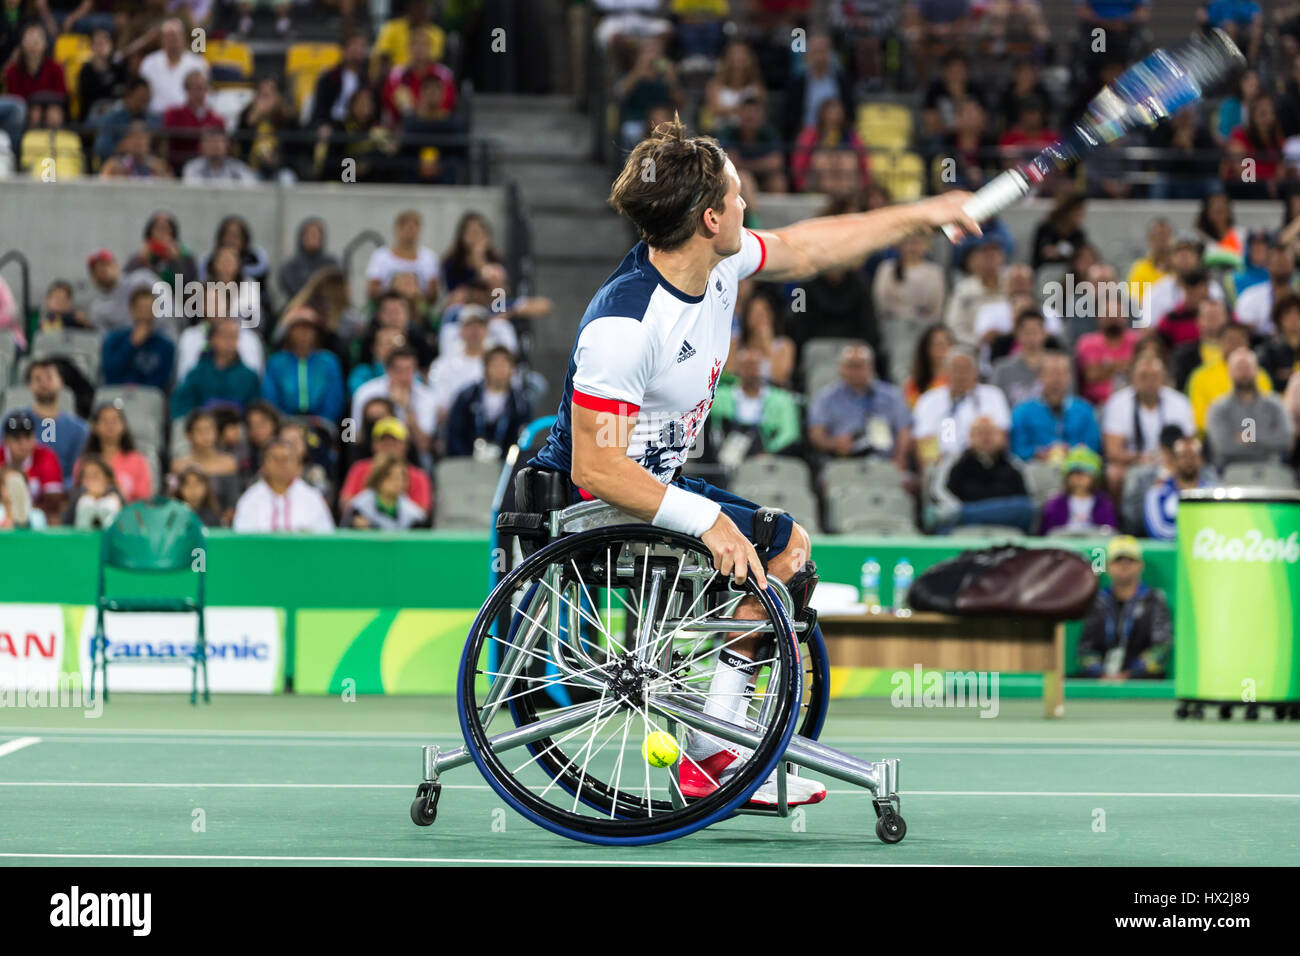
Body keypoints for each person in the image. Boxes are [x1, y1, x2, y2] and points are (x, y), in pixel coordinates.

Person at [526, 117, 978, 808]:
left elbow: (807, 246)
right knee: (780, 547)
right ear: (709, 218)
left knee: (786, 548)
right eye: (738, 197)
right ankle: (717, 754)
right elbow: (597, 464)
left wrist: (921, 214)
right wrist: (706, 520)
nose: (748, 207)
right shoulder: (627, 325)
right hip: (591, 505)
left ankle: (715, 751)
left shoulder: (717, 261)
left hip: (650, 488)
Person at [1102, 354, 1195, 499]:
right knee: (1113, 473)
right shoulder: (1118, 403)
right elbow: (1113, 451)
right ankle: (1119, 519)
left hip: (1171, 460)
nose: (1149, 382)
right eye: (1144, 376)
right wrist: (1140, 458)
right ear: (1133, 378)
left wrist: (1170, 461)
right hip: (1132, 461)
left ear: (1163, 378)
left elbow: (1189, 444)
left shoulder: (1179, 403)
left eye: (1155, 376)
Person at [1078, 535, 1171, 679]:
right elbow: (1086, 649)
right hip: (1100, 682)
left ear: (1140, 565)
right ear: (1108, 566)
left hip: (1142, 683)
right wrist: (1100, 673)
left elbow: (1161, 647)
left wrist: (1130, 674)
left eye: (1130, 560)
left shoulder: (1154, 600)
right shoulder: (1098, 602)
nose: (1124, 565)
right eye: (1118, 560)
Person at [806, 344, 911, 469]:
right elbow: (816, 434)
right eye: (850, 365)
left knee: (909, 481)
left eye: (860, 365)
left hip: (885, 461)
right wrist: (834, 443)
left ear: (871, 367)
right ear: (840, 368)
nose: (855, 371)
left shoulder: (892, 395)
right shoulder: (826, 398)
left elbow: (904, 430)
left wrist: (900, 457)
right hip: (843, 462)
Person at [929, 414, 1035, 534]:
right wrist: (954, 507)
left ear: (1001, 437)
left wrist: (964, 512)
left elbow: (1025, 500)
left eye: (990, 432)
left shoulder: (1014, 464)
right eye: (980, 432)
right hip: (962, 522)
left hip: (1002, 520)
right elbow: (938, 491)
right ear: (970, 437)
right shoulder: (956, 462)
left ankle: (965, 514)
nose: (986, 437)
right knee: (945, 517)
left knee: (1024, 508)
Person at [913, 348, 1011, 470]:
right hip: (944, 465)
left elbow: (1001, 438)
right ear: (946, 372)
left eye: (966, 369)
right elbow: (924, 441)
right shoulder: (929, 400)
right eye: (956, 369)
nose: (961, 375)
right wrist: (934, 466)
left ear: (976, 372)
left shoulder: (993, 396)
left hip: (983, 464)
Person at [1205, 348, 1294, 470]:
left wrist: (1246, 438)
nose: (1244, 373)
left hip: (1271, 471)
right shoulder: (1218, 408)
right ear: (1230, 372)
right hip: (1230, 473)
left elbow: (1285, 440)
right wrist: (1267, 439)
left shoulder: (1275, 404)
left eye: (1247, 368)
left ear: (1257, 370)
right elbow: (1224, 447)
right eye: (1239, 368)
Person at [711, 346, 803, 459]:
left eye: (756, 366)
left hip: (766, 458)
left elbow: (790, 434)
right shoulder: (719, 396)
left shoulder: (782, 400)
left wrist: (768, 452)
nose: (752, 371)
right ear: (738, 369)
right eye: (747, 366)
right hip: (726, 454)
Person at [1009, 351, 1101, 463]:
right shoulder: (1022, 412)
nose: (1057, 378)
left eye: (1062, 373)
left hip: (1077, 467)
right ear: (1040, 376)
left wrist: (1073, 451)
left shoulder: (1085, 410)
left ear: (1070, 376)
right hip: (1036, 468)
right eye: (1051, 373)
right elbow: (1017, 448)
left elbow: (1093, 446)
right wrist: (1036, 452)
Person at [445, 346, 532, 459]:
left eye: (504, 364)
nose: (499, 369)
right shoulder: (467, 397)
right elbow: (455, 433)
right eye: (495, 364)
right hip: (468, 464)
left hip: (505, 465)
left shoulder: (521, 403)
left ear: (512, 368)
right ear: (485, 367)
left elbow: (523, 438)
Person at [232, 438, 335, 533]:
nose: (281, 464)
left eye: (286, 459)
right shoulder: (250, 498)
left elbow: (326, 537)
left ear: (298, 465)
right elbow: (242, 540)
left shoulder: (313, 498)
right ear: (263, 466)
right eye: (275, 459)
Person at [14, 360, 89, 489]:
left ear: (61, 382)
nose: (44, 383)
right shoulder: (13, 421)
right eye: (37, 379)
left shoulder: (79, 429)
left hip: (63, 496)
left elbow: (79, 471)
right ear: (30, 385)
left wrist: (53, 487)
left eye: (49, 377)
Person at [262, 307, 345, 423]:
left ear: (317, 332)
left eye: (308, 329)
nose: (304, 334)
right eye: (298, 328)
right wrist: (281, 420)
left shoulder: (328, 361)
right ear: (289, 332)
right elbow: (270, 397)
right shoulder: (276, 362)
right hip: (284, 422)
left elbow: (335, 398)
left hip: (321, 424)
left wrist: (323, 420)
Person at [1187, 322, 1272, 434]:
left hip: (1255, 437)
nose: (1235, 344)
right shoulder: (1200, 376)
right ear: (1219, 342)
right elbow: (1199, 418)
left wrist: (1247, 434)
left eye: (1240, 340)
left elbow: (1266, 413)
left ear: (1247, 343)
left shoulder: (1260, 375)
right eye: (1230, 340)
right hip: (1216, 439)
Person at [349, 347, 436, 458]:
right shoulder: (365, 393)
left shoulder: (426, 396)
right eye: (399, 371)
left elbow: (424, 446)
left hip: (410, 455)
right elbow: (352, 436)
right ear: (388, 370)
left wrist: (407, 408)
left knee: (425, 458)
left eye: (409, 370)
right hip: (371, 452)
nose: (404, 377)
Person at [170, 317, 262, 420]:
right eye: (225, 336)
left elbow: (256, 411)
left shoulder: (249, 377)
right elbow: (180, 408)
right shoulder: (197, 374)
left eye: (234, 336)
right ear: (212, 339)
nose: (230, 342)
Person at [338, 415, 432, 515]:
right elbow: (346, 504)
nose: (388, 447)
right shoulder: (359, 468)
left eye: (394, 443)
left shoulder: (418, 476)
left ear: (405, 445)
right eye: (384, 442)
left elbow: (421, 514)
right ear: (373, 445)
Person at [168, 409, 241, 520]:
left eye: (209, 429)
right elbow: (173, 503)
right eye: (200, 431)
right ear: (189, 435)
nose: (206, 435)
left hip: (220, 524)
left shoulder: (228, 463)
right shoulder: (179, 466)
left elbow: (233, 503)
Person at [1074, 285, 1139, 407]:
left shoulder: (1137, 340)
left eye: (1117, 314)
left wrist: (1105, 367)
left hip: (1133, 403)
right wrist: (1126, 365)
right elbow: (1091, 375)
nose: (1113, 318)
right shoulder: (1087, 343)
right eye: (1108, 314)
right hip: (1096, 404)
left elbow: (1139, 372)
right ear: (1099, 317)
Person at [101, 287, 176, 391]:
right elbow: (110, 372)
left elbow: (160, 383)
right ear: (131, 310)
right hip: (115, 394)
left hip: (147, 399)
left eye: (149, 309)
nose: (145, 314)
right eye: (141, 309)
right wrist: (131, 345)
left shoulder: (166, 346)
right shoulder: (114, 339)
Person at [78, 402, 153, 503]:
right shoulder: (84, 462)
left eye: (115, 420)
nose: (110, 425)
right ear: (95, 426)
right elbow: (78, 497)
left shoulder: (138, 461)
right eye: (104, 420)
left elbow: (144, 500)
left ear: (124, 426)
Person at [364, 209, 440, 304]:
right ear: (397, 229)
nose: (411, 233)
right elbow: (372, 291)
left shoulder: (429, 257)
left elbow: (433, 294)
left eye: (414, 228)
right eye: (407, 228)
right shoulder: (381, 256)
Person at [0, 411, 64, 525]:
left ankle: (22, 516)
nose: (23, 443)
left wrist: (27, 507)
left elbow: (54, 500)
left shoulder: (46, 456)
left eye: (28, 436)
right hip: (3, 509)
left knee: (44, 518)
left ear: (34, 436)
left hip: (36, 512)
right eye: (17, 438)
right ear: (6, 439)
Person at [1144, 435, 1212, 540]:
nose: (1189, 461)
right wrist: (1197, 534)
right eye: (1184, 456)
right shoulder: (1157, 493)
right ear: (1174, 460)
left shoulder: (1212, 493)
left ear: (1201, 460)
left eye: (1193, 456)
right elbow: (1158, 532)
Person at [1039, 445, 1118, 535]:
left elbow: (1109, 530)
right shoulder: (1056, 502)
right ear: (1067, 477)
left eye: (1084, 474)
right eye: (1075, 474)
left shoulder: (1102, 502)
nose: (1079, 478)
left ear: (1094, 478)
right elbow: (1047, 532)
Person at [872, 233, 946, 327]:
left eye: (917, 243)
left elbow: (937, 307)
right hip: (892, 324)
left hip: (924, 325)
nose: (912, 248)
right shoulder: (886, 268)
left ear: (926, 246)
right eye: (908, 243)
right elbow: (880, 302)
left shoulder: (935, 271)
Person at [138, 18, 209, 113]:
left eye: (175, 36)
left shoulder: (198, 63)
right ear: (162, 39)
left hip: (187, 118)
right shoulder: (149, 62)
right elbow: (141, 94)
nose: (172, 40)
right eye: (168, 36)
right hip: (156, 116)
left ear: (183, 37)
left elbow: (205, 94)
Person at [161, 69, 225, 172]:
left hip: (210, 167)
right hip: (179, 165)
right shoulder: (173, 114)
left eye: (202, 88)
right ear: (186, 90)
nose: (199, 93)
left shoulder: (217, 119)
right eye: (194, 88)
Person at [342, 455, 428, 529]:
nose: (398, 483)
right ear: (379, 478)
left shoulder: (414, 516)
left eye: (402, 478)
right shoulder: (358, 508)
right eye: (392, 477)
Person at [86, 248, 158, 336]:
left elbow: (169, 308)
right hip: (127, 347)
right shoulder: (98, 309)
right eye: (95, 269)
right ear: (92, 277)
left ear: (117, 265)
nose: (101, 270)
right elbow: (106, 343)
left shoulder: (142, 280)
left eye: (105, 265)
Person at [1234, 240, 1296, 337]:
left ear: (1293, 266)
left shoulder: (1297, 295)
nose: (1281, 267)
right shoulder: (1250, 296)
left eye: (1285, 263)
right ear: (1268, 265)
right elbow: (1244, 329)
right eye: (1278, 263)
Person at [991, 308, 1050, 408]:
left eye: (1035, 332)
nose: (1031, 338)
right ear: (1017, 335)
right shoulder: (1002, 369)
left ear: (1044, 333)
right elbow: (994, 404)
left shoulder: (1058, 367)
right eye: (1027, 332)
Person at [279, 218, 340, 302]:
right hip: (299, 307)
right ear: (302, 237)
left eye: (315, 234)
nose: (312, 238)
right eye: (309, 234)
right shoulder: (290, 266)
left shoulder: (332, 264)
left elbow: (336, 289)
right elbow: (292, 290)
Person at [62, 455, 124, 530]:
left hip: (111, 538)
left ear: (107, 478)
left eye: (95, 475)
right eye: (87, 476)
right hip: (80, 538)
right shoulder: (78, 495)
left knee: (110, 503)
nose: (91, 481)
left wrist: (103, 496)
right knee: (86, 502)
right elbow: (66, 523)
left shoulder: (115, 494)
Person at [1257, 294, 1300, 393]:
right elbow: (1267, 381)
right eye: (1288, 313)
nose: (1294, 318)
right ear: (1279, 319)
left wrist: (1291, 375)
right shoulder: (1269, 350)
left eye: (1298, 313)